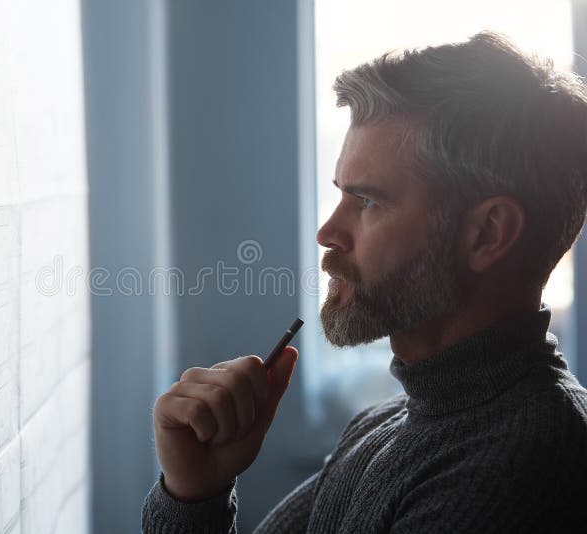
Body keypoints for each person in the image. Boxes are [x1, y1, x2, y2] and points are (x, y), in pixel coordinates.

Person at [141, 31, 587, 533]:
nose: (327, 233)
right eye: (341, 195)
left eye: (368, 201)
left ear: (487, 233)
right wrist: (195, 489)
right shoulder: (390, 423)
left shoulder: (513, 470)